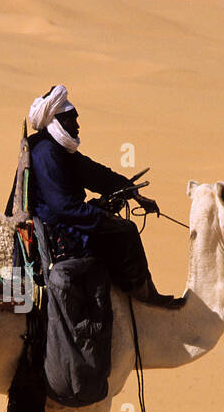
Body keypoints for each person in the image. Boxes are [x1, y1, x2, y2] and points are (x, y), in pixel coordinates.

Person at [21, 85, 183, 309]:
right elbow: (62, 206)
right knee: (125, 230)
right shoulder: (46, 153)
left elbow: (95, 172)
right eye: (72, 119)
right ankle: (143, 298)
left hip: (65, 216)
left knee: (114, 222)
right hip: (56, 226)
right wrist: (98, 215)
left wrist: (132, 191)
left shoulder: (57, 148)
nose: (77, 125)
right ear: (57, 120)